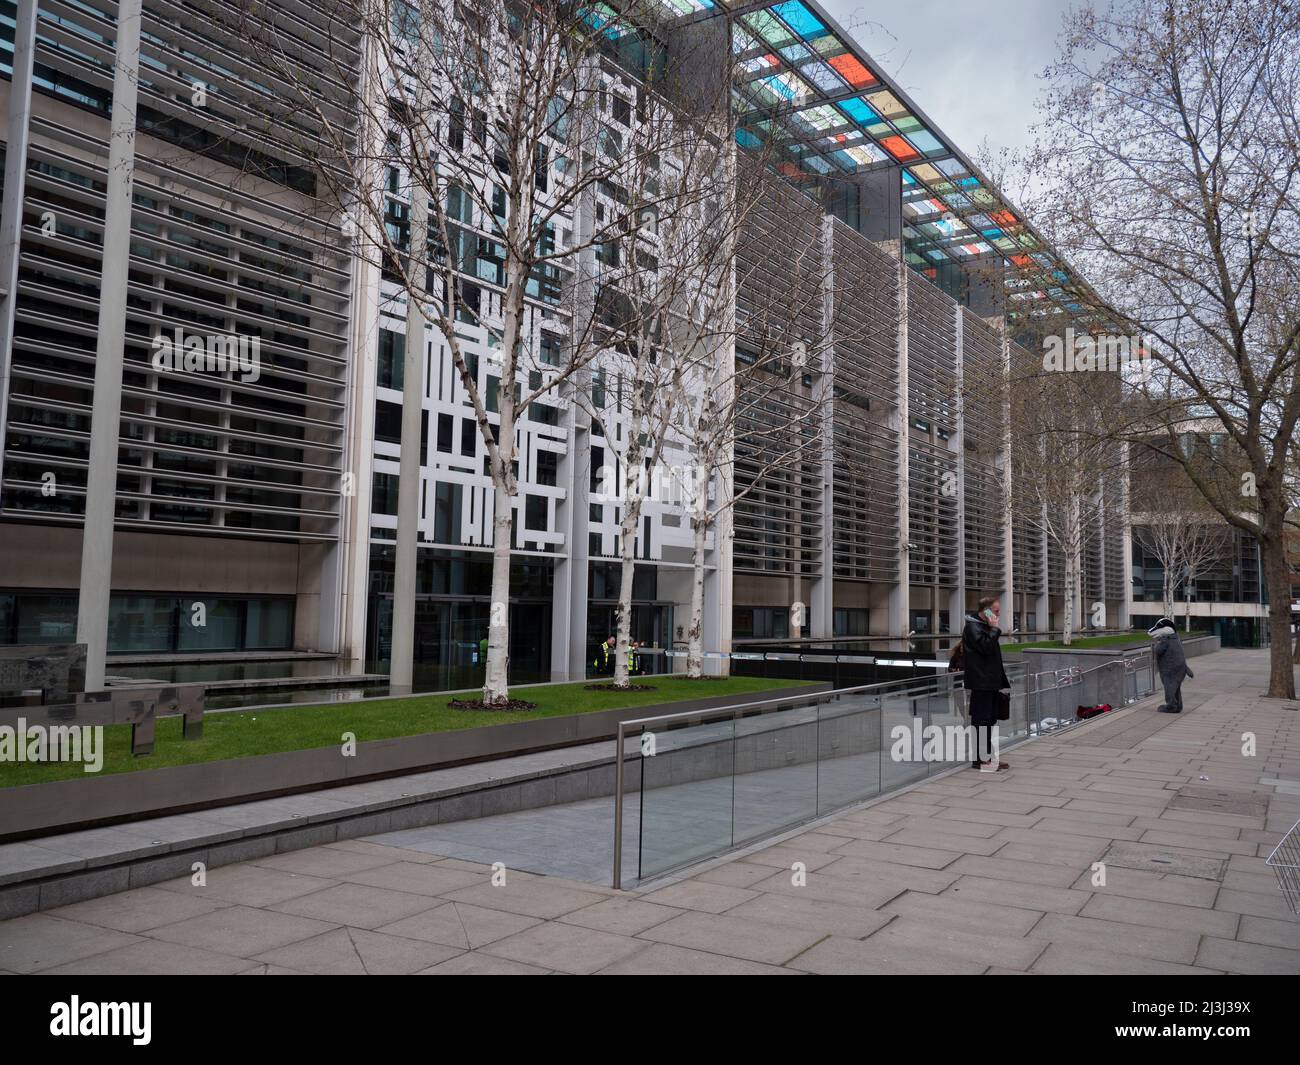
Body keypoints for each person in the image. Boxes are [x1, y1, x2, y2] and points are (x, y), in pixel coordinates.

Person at [962, 595, 1011, 772]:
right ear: (986, 611)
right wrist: (994, 629)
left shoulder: (982, 626)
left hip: (989, 682)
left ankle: (987, 757)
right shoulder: (973, 627)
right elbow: (986, 647)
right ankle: (980, 760)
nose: (998, 614)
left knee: (989, 721)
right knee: (982, 721)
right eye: (996, 611)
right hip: (981, 683)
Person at [1148, 616, 1193, 713]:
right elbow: (1180, 654)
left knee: (1169, 687)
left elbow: (1158, 651)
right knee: (1176, 688)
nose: (1153, 631)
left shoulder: (1166, 640)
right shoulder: (1176, 639)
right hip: (1180, 668)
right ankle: (1178, 705)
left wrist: (1158, 643)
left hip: (1169, 670)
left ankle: (1171, 705)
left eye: (1159, 628)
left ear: (1167, 629)